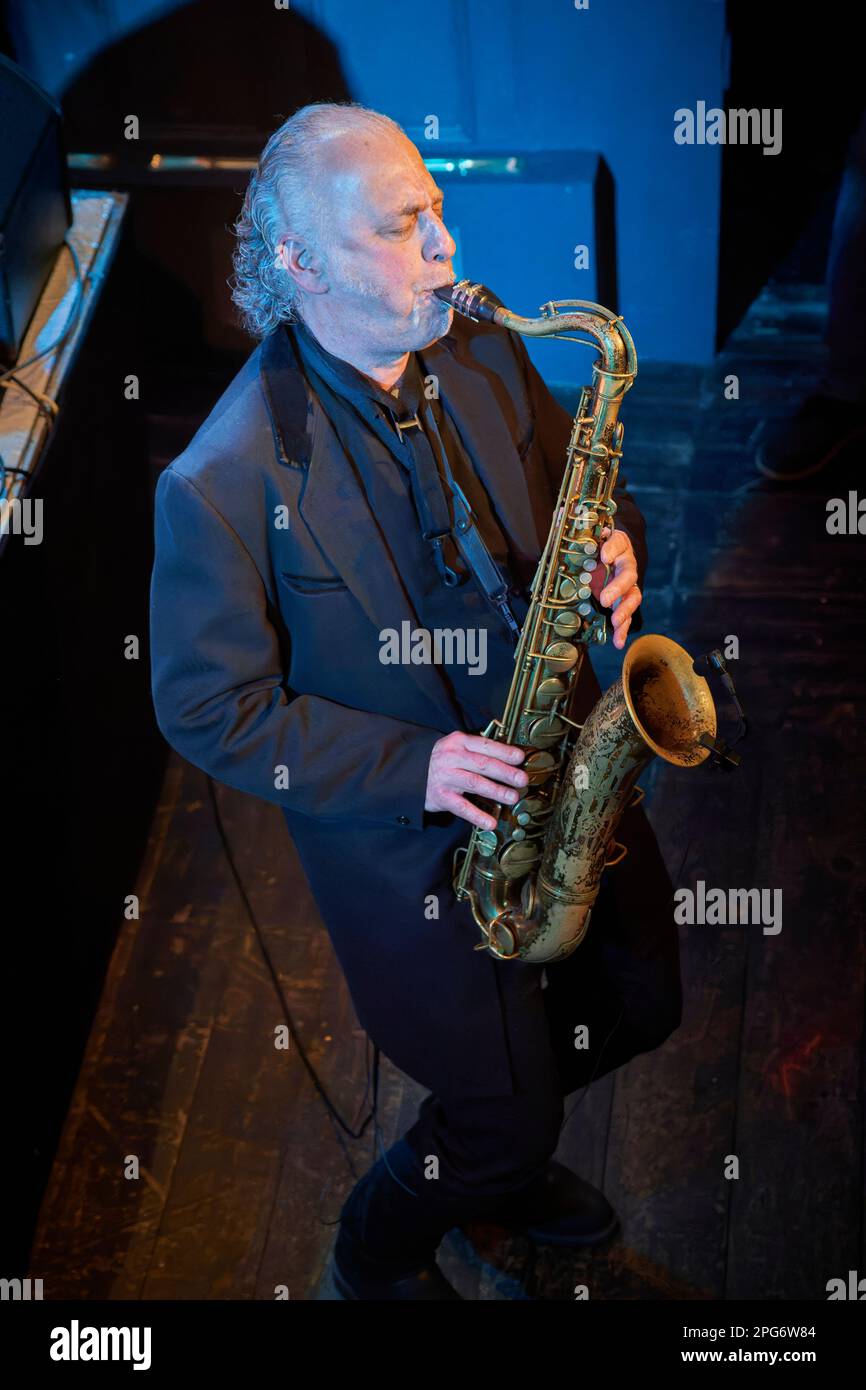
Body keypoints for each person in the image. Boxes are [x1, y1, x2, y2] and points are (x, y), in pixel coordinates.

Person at [149, 101, 681, 1301]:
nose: (444, 245)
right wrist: (417, 768)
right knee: (499, 1107)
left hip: (558, 774)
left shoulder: (479, 344)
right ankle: (377, 1244)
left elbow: (584, 496)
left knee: (640, 1004)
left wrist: (614, 545)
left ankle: (494, 1162)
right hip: (420, 852)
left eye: (436, 209)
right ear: (301, 262)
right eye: (402, 227)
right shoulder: (220, 479)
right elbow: (206, 708)